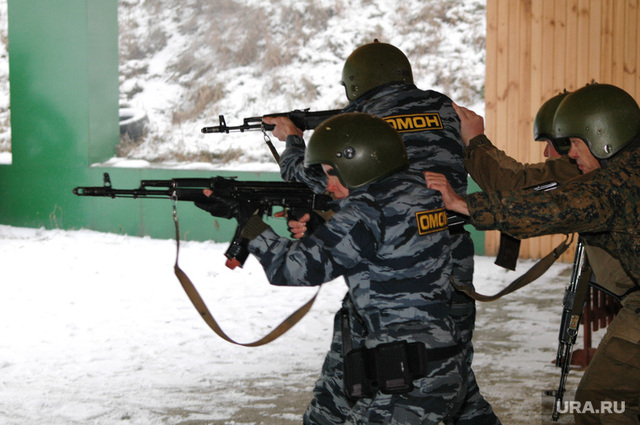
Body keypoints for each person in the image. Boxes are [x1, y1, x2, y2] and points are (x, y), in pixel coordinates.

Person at [265, 40, 499, 425]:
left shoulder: (359, 119)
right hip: (450, 247)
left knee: (378, 362)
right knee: (447, 359)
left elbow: (315, 178)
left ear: (354, 82)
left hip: (390, 258)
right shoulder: (445, 107)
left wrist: (292, 140)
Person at [426, 83, 640, 425]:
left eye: (571, 144)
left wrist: (464, 203)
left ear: (602, 137)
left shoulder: (614, 183)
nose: (567, 155)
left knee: (600, 402)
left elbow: (547, 206)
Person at [241, 112, 468, 424]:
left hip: (408, 378)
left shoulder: (365, 212)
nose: (328, 185)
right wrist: (325, 229)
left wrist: (250, 226)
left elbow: (292, 268)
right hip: (440, 362)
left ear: (358, 164)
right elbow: (385, 244)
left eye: (332, 173)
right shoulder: (420, 190)